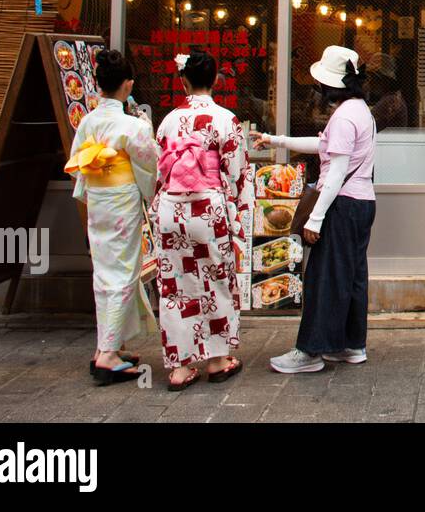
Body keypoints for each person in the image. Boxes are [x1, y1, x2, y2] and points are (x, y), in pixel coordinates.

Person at [253, 45, 375, 374]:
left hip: (342, 204)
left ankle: (310, 350)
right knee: (351, 277)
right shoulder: (360, 111)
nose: (317, 89)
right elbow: (322, 146)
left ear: (331, 85)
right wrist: (276, 140)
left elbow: (334, 174)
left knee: (324, 278)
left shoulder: (345, 116)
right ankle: (351, 345)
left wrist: (316, 219)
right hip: (362, 202)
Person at [152, 48, 250, 391]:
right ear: (215, 80)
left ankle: (180, 367)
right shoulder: (226, 119)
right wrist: (238, 213)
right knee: (215, 279)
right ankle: (219, 360)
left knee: (175, 286)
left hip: (170, 208)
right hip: (207, 208)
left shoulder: (167, 120)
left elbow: (158, 169)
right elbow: (237, 172)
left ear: (184, 81)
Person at [64, 49, 158, 386]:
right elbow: (149, 166)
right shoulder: (133, 125)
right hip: (122, 198)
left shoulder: (88, 121)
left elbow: (77, 163)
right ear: (127, 85)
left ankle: (113, 345)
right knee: (122, 272)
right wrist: (150, 194)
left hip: (99, 198)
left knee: (105, 270)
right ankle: (106, 353)